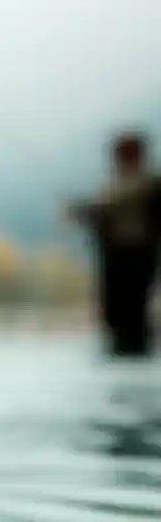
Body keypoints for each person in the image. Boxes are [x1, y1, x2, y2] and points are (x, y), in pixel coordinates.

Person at [65, 131, 161, 357]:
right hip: (116, 256)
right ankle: (125, 347)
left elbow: (110, 206)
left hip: (138, 254)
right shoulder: (114, 184)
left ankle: (133, 349)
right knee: (116, 308)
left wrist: (84, 211)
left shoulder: (147, 183)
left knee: (132, 307)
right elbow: (101, 211)